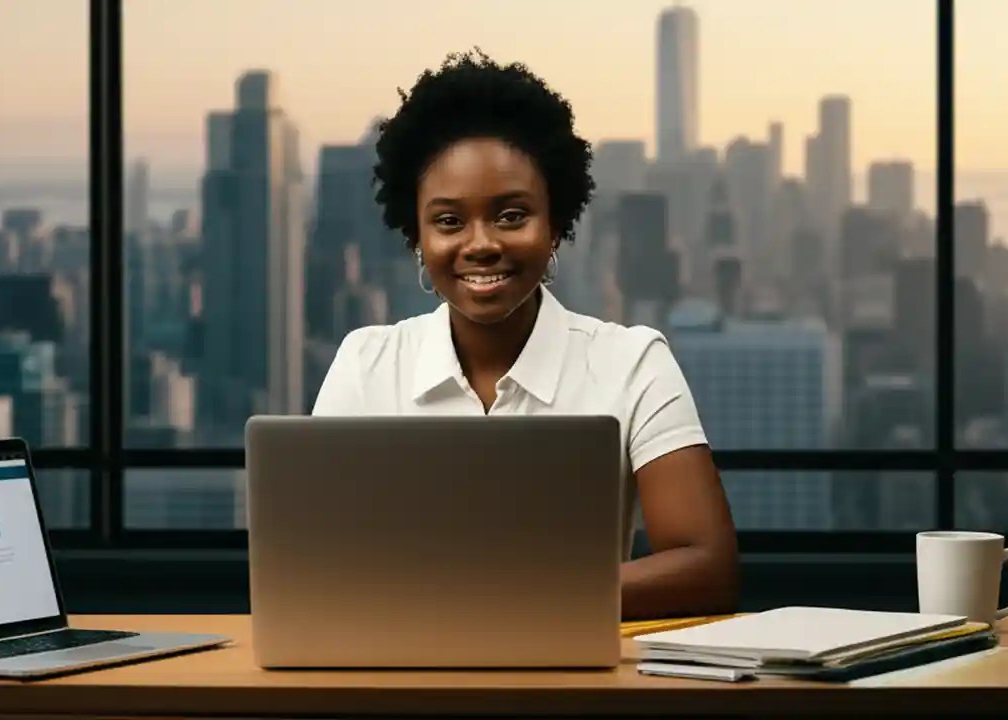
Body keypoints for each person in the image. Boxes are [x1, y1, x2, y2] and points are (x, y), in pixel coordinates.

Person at [312, 49, 738, 620]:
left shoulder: (633, 361)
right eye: (449, 221)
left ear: (555, 224)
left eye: (511, 215)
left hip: (574, 672)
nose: (481, 243)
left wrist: (502, 601)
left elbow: (707, 568)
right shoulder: (365, 363)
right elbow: (314, 568)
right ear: (415, 235)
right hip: (399, 669)